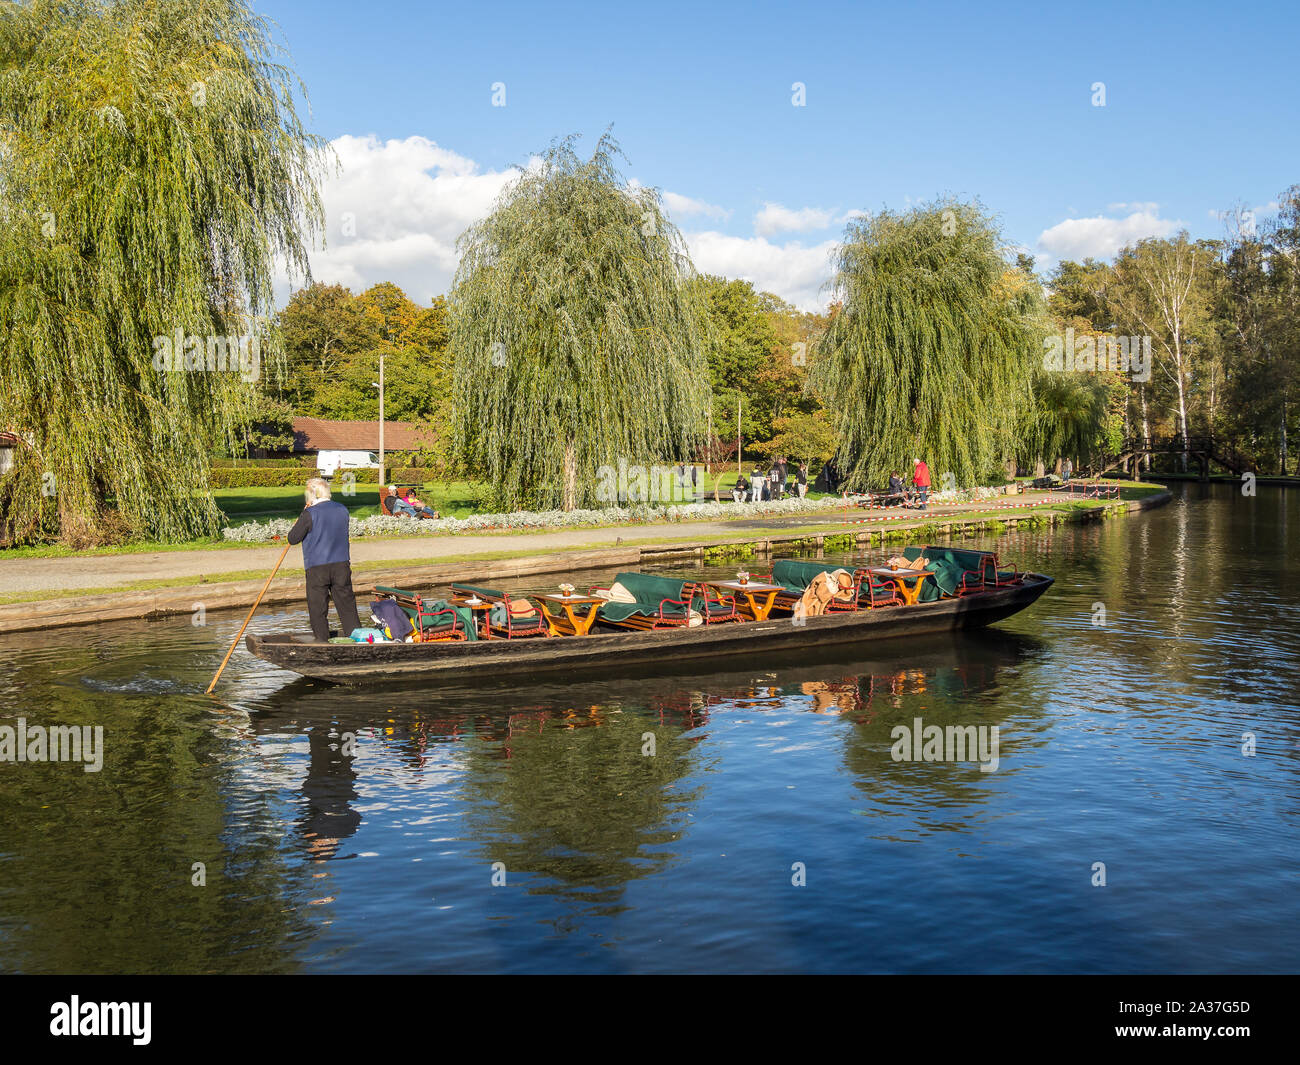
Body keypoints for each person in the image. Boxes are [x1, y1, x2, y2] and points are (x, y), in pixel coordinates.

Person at [288, 478, 362, 642]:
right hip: (341, 564)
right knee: (347, 606)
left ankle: (321, 641)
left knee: (318, 608)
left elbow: (293, 538)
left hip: (317, 567)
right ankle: (357, 638)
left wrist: (303, 513)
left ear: (311, 494)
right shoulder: (342, 509)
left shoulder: (309, 513)